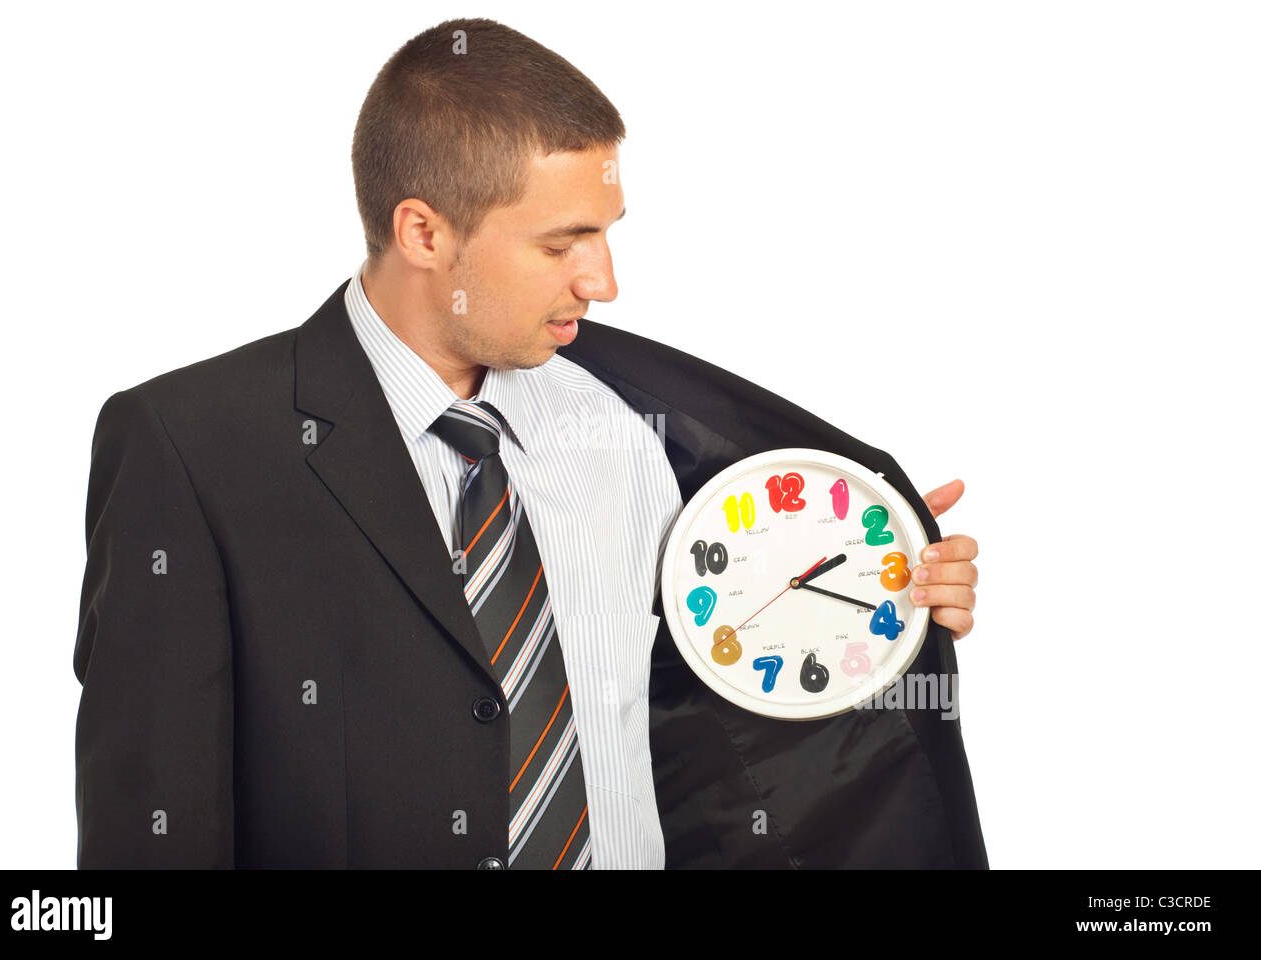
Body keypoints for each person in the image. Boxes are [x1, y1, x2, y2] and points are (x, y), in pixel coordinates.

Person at [74, 17, 986, 869]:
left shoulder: (643, 432)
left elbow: (739, 670)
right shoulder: (191, 448)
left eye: (606, 234)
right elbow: (153, 825)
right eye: (564, 244)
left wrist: (887, 583)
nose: (606, 281)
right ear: (424, 232)